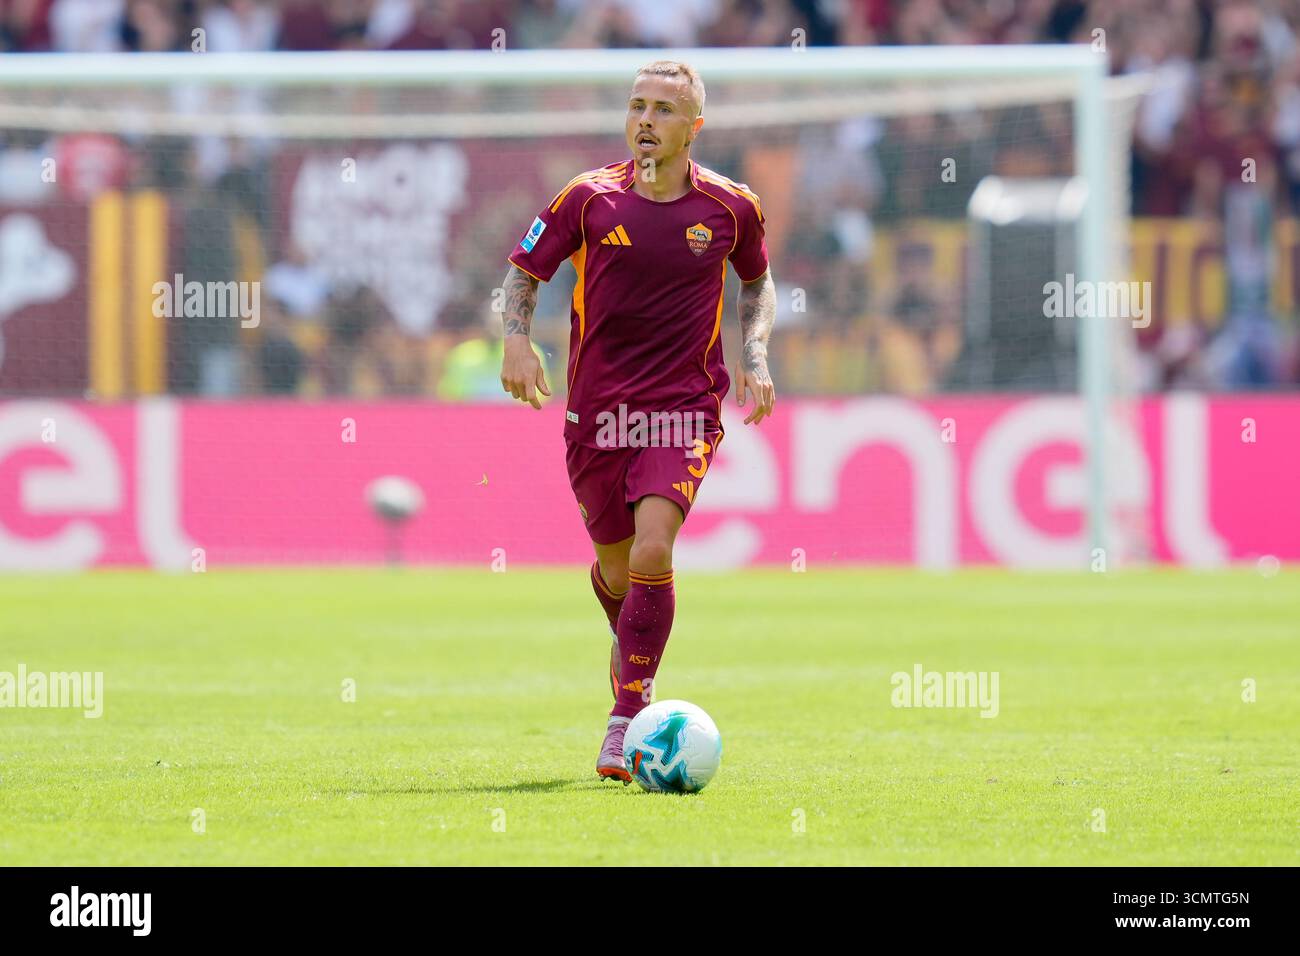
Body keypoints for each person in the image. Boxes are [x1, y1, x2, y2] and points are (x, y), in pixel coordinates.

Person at [499, 60, 776, 783]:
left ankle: (624, 720)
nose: (646, 120)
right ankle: (635, 643)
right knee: (619, 573)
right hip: (597, 417)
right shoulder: (588, 198)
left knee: (654, 551)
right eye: (637, 106)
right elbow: (526, 271)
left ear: (693, 127)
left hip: (681, 411)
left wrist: (754, 354)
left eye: (662, 109)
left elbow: (757, 280)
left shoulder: (731, 207)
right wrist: (515, 339)